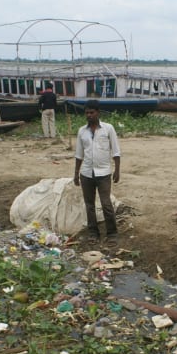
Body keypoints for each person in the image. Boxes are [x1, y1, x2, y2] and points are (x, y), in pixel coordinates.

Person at [73, 100, 121, 246]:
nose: (89, 115)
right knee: (89, 205)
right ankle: (93, 233)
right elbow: (79, 154)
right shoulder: (82, 131)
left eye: (92, 112)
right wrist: (76, 174)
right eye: (87, 113)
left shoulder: (108, 129)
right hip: (86, 173)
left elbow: (116, 151)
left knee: (106, 204)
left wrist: (117, 170)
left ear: (98, 113)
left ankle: (112, 234)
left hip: (104, 173)